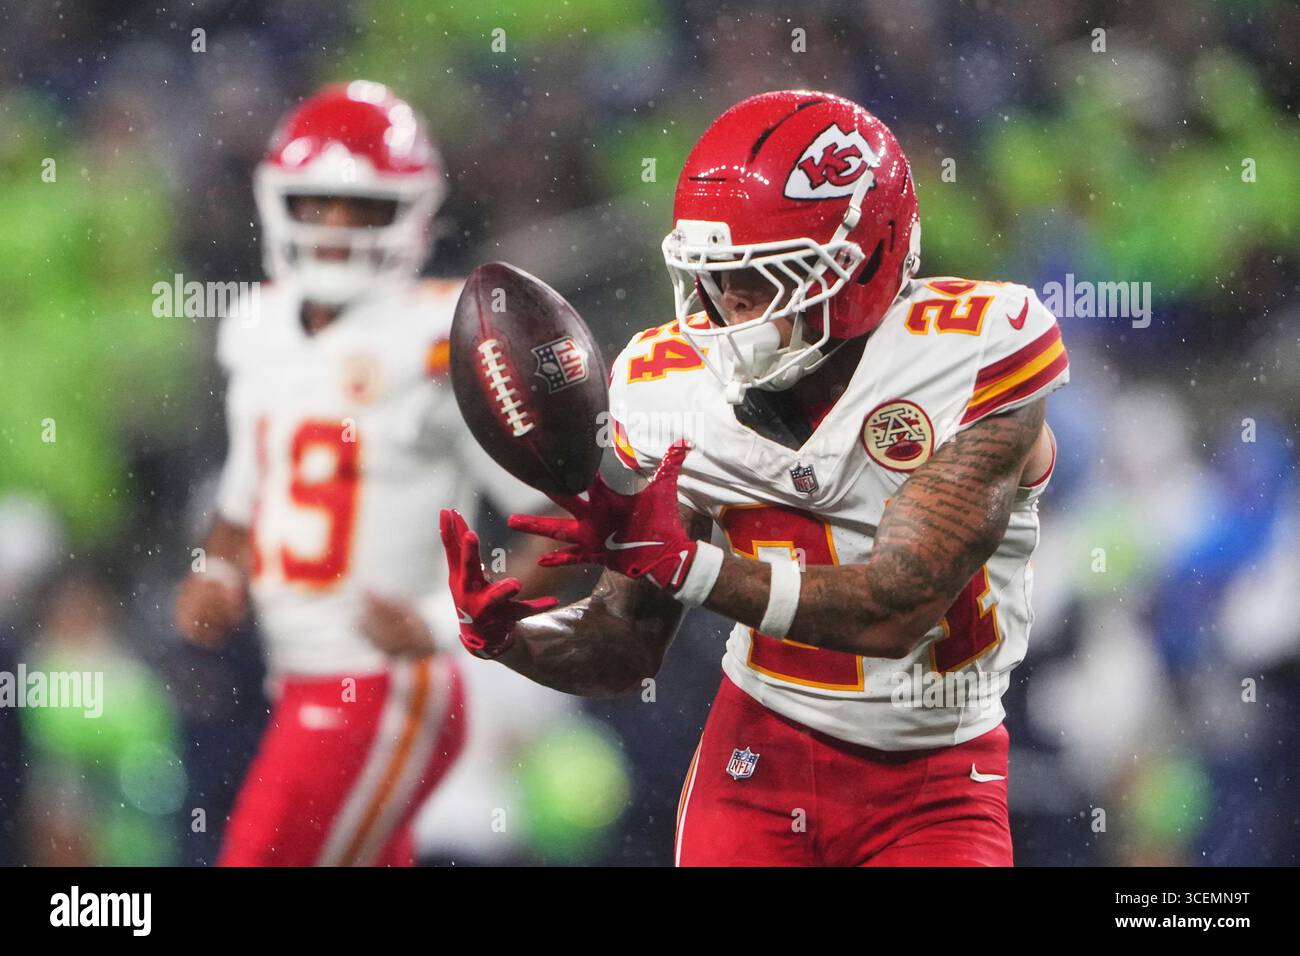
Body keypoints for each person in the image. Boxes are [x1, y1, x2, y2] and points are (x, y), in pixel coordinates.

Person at [440, 90, 1066, 866]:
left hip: (937, 779)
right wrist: (512, 641)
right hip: (759, 759)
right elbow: (624, 644)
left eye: (763, 278)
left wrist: (688, 564)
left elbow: (895, 607)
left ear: (863, 260)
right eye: (713, 276)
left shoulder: (974, 356)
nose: (727, 304)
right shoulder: (669, 385)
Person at [174, 81, 549, 866]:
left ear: (413, 213)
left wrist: (452, 621)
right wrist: (218, 571)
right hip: (299, 679)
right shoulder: (258, 328)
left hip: (387, 684)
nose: (338, 229)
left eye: (365, 209)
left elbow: (564, 526)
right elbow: (246, 493)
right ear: (279, 202)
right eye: (319, 205)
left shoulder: (438, 340)